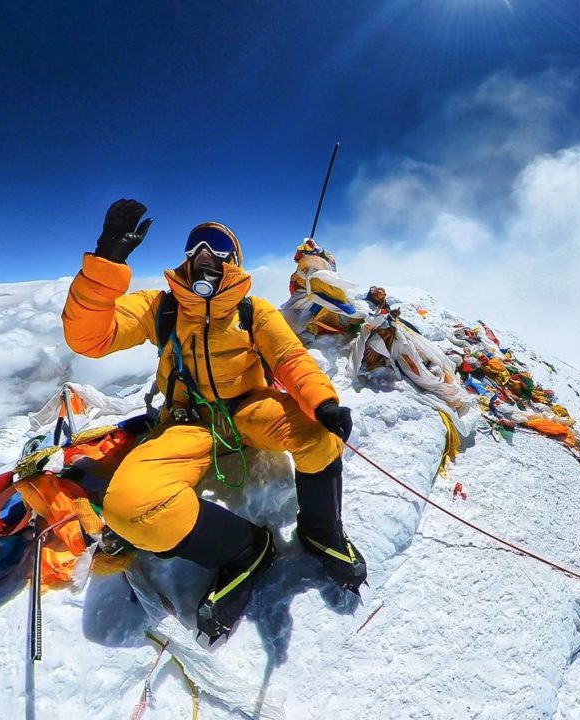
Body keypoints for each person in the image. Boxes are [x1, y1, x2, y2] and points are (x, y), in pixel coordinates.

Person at [62, 199, 367, 643]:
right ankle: (246, 550)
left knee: (319, 437)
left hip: (248, 410)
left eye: (218, 244)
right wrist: (106, 263)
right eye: (195, 245)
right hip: (186, 425)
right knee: (130, 509)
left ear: (235, 260)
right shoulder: (161, 308)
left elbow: (289, 359)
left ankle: (322, 532)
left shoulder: (252, 311)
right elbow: (89, 337)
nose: (204, 252)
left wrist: (322, 403)